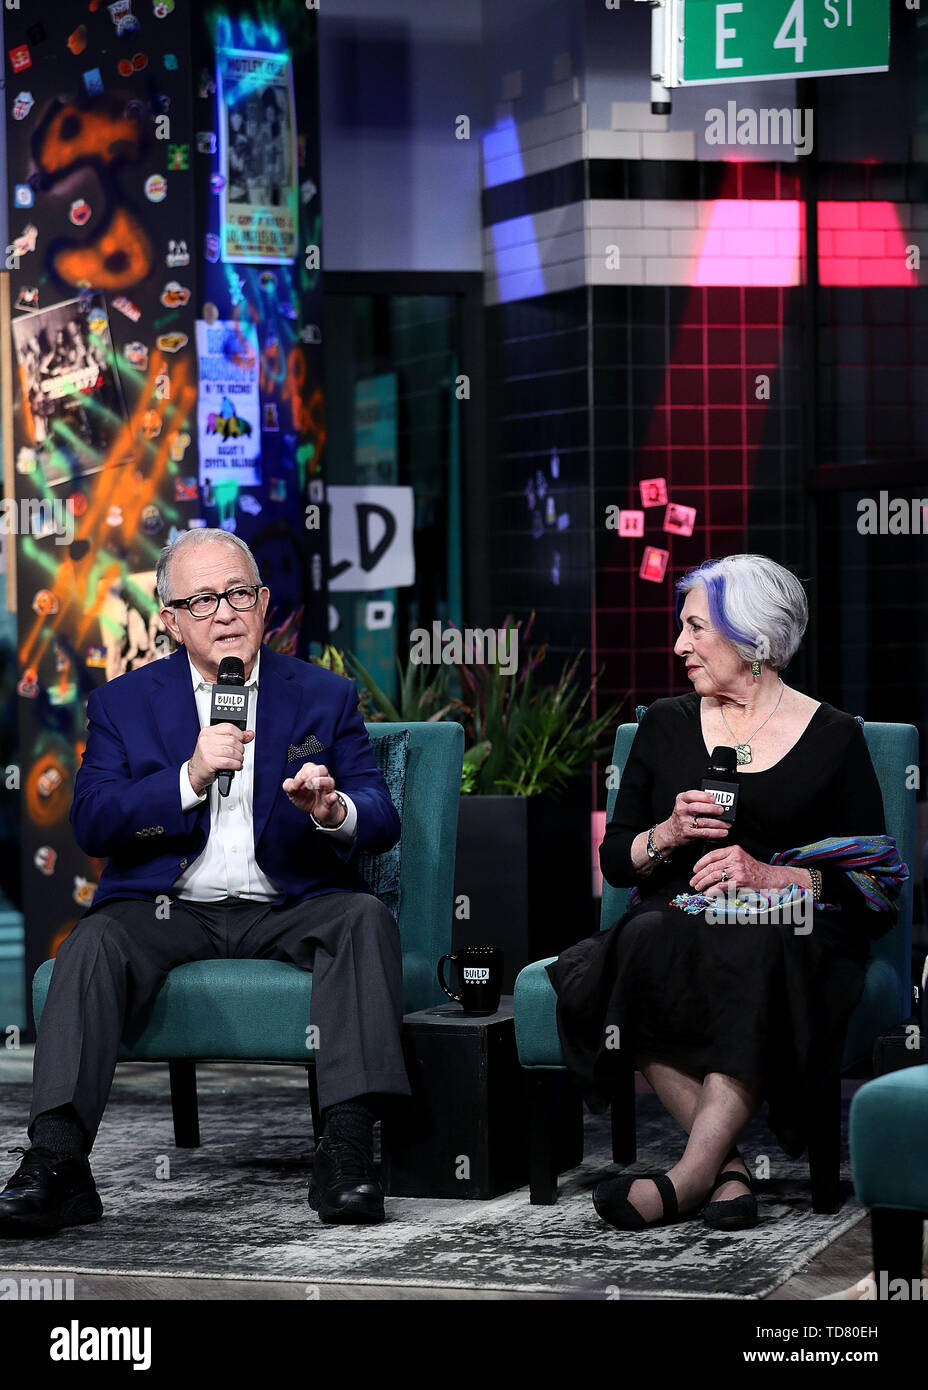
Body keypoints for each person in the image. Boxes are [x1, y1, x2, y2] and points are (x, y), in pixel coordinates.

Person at [0, 529, 410, 1235]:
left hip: (289, 901)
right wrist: (188, 777)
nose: (225, 613)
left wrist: (332, 806)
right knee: (91, 943)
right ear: (171, 620)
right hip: (166, 909)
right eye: (203, 599)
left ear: (264, 602)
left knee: (364, 918)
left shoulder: (323, 695)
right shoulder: (124, 704)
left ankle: (346, 1154)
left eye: (239, 593)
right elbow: (94, 822)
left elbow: (380, 815)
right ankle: (58, 1164)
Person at [548, 554, 907, 1232]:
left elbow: (874, 882)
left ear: (753, 639)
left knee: (760, 942)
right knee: (644, 939)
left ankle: (686, 1177)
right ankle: (729, 1171)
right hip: (681, 917)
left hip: (795, 924)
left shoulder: (834, 737)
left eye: (695, 629)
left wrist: (772, 877)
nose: (679, 647)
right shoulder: (665, 725)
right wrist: (668, 832)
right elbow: (617, 863)